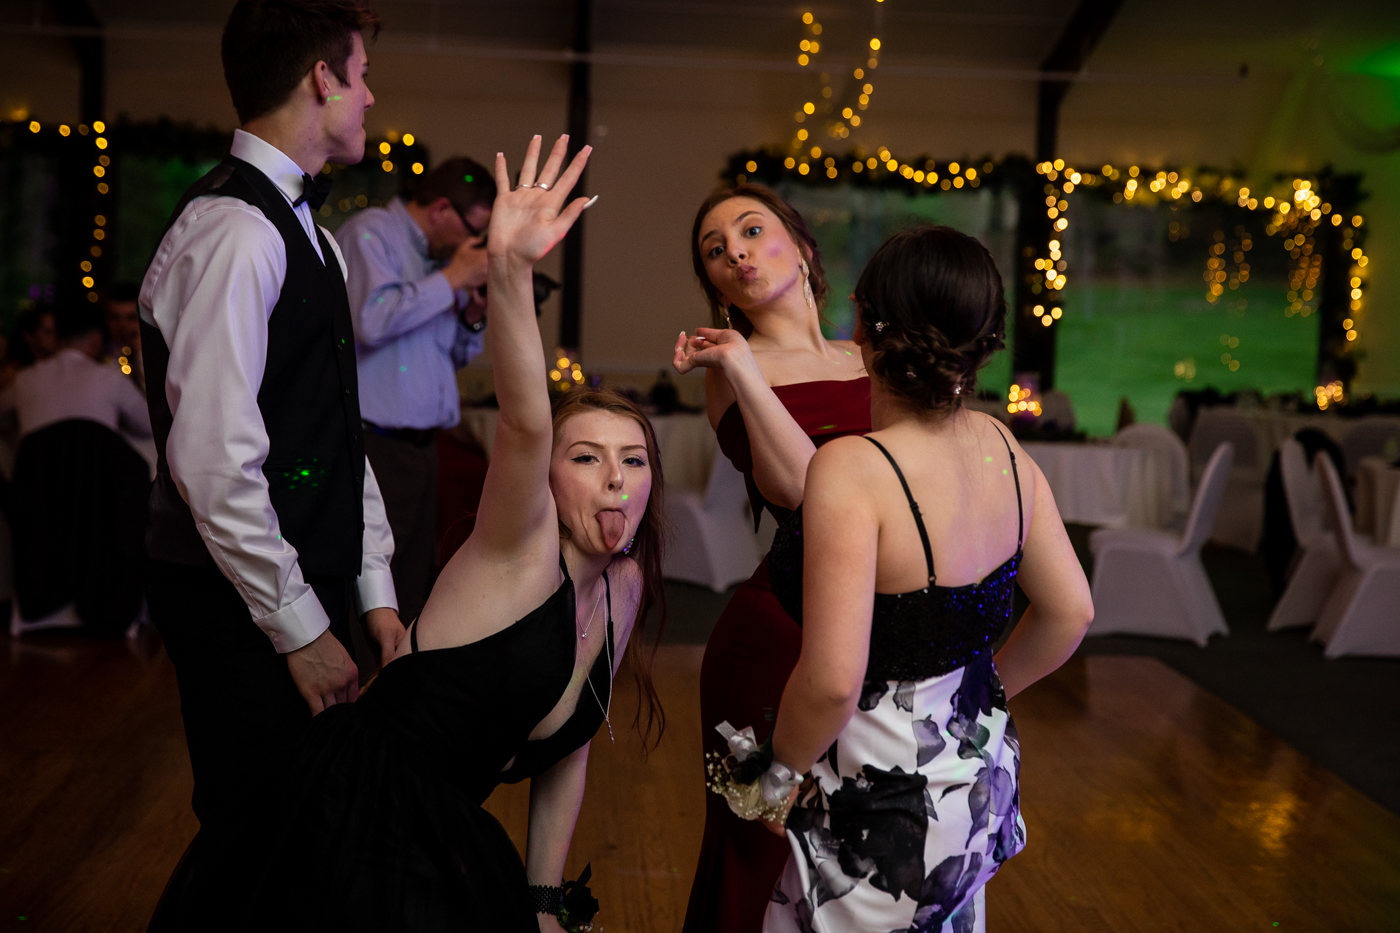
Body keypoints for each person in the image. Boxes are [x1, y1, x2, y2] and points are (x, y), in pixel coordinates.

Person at [236, 134, 664, 933]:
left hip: (443, 827)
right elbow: (527, 418)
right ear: (549, 476)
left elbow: (567, 755)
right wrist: (505, 269)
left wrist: (545, 900)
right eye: (587, 457)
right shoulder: (517, 547)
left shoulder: (623, 586)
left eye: (634, 459)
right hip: (357, 813)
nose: (615, 478)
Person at [138, 1, 403, 925]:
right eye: (361, 73)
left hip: (305, 584)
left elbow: (335, 432)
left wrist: (373, 591)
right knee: (257, 844)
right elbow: (212, 463)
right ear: (322, 78)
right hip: (239, 597)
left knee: (316, 839)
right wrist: (299, 628)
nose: (371, 95)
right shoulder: (235, 232)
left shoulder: (312, 235)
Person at [758, 226, 1095, 932]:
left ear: (862, 323)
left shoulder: (852, 469)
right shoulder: (1001, 445)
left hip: (876, 804)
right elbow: (1070, 611)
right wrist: (977, 694)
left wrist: (774, 777)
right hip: (973, 784)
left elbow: (830, 681)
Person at [674, 184, 870, 933]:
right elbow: (799, 491)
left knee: (853, 856)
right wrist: (744, 369)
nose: (736, 254)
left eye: (752, 231)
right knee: (752, 851)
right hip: (780, 632)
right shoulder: (731, 371)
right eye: (715, 251)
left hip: (874, 636)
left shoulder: (868, 359)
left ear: (803, 246)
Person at [337, 157, 494, 622]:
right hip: (377, 445)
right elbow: (370, 319)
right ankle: (360, 687)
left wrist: (472, 316)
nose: (472, 244)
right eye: (472, 229)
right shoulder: (372, 233)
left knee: (413, 579)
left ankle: (397, 683)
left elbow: (453, 357)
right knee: (371, 582)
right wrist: (452, 278)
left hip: (426, 449)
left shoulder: (440, 262)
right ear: (442, 208)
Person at [1, 305, 152, 635]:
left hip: (40, 501)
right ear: (96, 342)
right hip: (99, 502)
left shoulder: (25, 380)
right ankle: (113, 598)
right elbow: (148, 426)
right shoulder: (109, 378)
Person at [103, 281, 145, 393]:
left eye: (131, 318)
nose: (122, 325)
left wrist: (140, 352)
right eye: (115, 317)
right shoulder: (98, 355)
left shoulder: (155, 355)